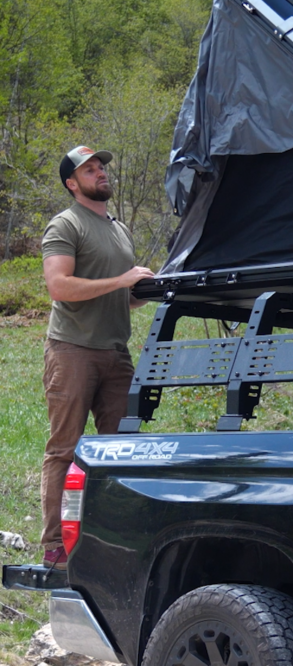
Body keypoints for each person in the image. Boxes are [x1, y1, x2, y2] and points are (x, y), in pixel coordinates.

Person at [40, 146, 155, 569]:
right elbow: (60, 286)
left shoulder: (118, 229)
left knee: (123, 447)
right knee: (64, 449)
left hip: (115, 353)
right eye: (89, 169)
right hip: (71, 351)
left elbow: (117, 296)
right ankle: (55, 546)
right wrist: (121, 280)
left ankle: (114, 539)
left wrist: (143, 290)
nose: (100, 172)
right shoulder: (65, 225)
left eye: (101, 166)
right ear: (73, 183)